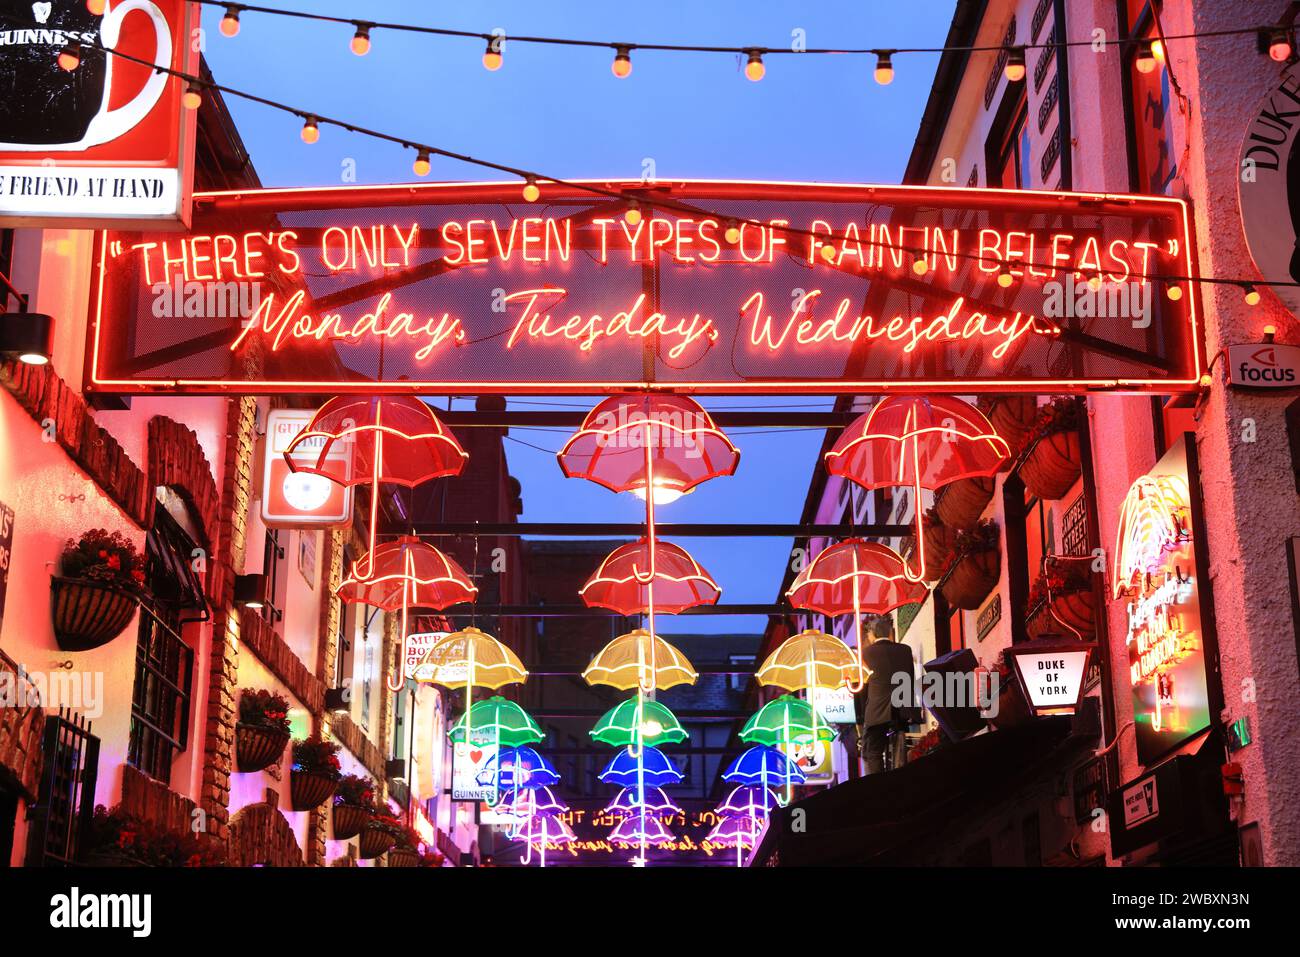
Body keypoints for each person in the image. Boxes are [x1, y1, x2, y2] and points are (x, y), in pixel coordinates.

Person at [857, 620, 919, 774]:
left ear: (872, 635)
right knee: (902, 744)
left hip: (877, 711)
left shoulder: (864, 653)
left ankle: (878, 787)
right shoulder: (905, 650)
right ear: (890, 633)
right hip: (903, 709)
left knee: (871, 752)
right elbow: (910, 677)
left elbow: (862, 688)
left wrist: (862, 716)